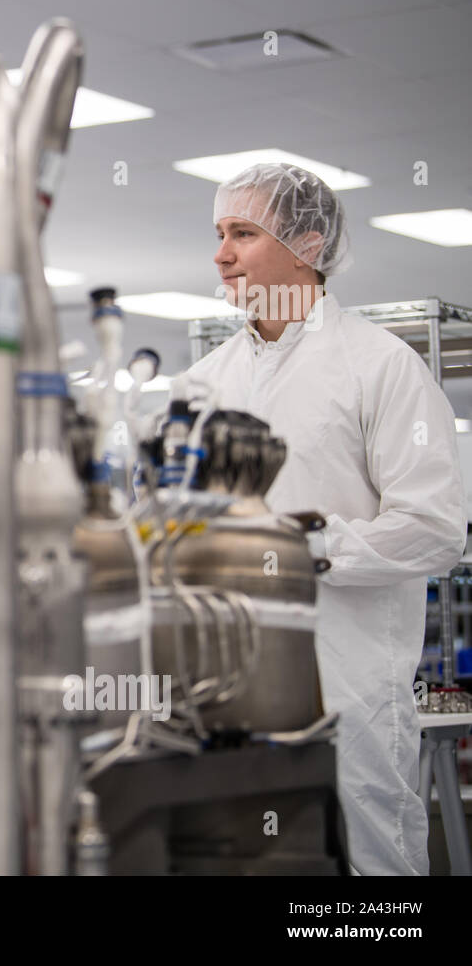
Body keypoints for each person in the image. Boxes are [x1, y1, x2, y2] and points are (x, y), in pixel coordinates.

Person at [183, 162, 466, 874]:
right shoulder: (204, 383)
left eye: (243, 233)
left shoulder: (382, 366)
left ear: (308, 246)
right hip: (229, 694)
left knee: (360, 878)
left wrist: (299, 546)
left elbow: (435, 528)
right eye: (219, 233)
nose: (221, 254)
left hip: (349, 697)